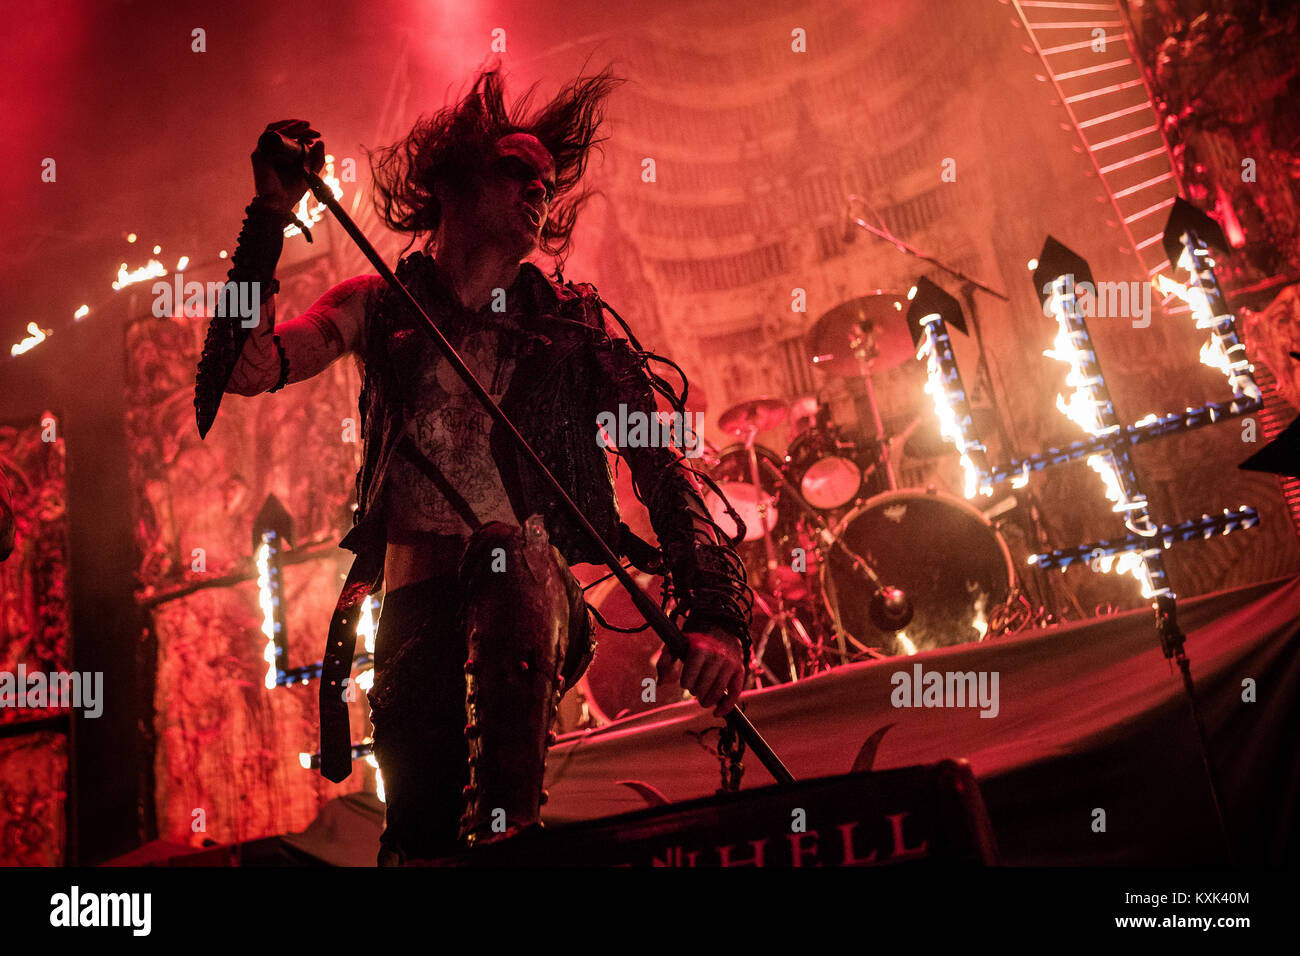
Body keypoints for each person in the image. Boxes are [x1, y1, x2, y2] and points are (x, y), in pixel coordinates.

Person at [194, 66, 752, 864]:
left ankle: (512, 835)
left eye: (546, 183)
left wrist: (717, 617)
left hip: (532, 595)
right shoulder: (377, 302)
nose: (537, 191)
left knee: (503, 550)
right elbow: (246, 369)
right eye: (515, 171)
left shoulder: (571, 325)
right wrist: (269, 220)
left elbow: (661, 467)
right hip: (414, 613)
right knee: (419, 840)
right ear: (453, 186)